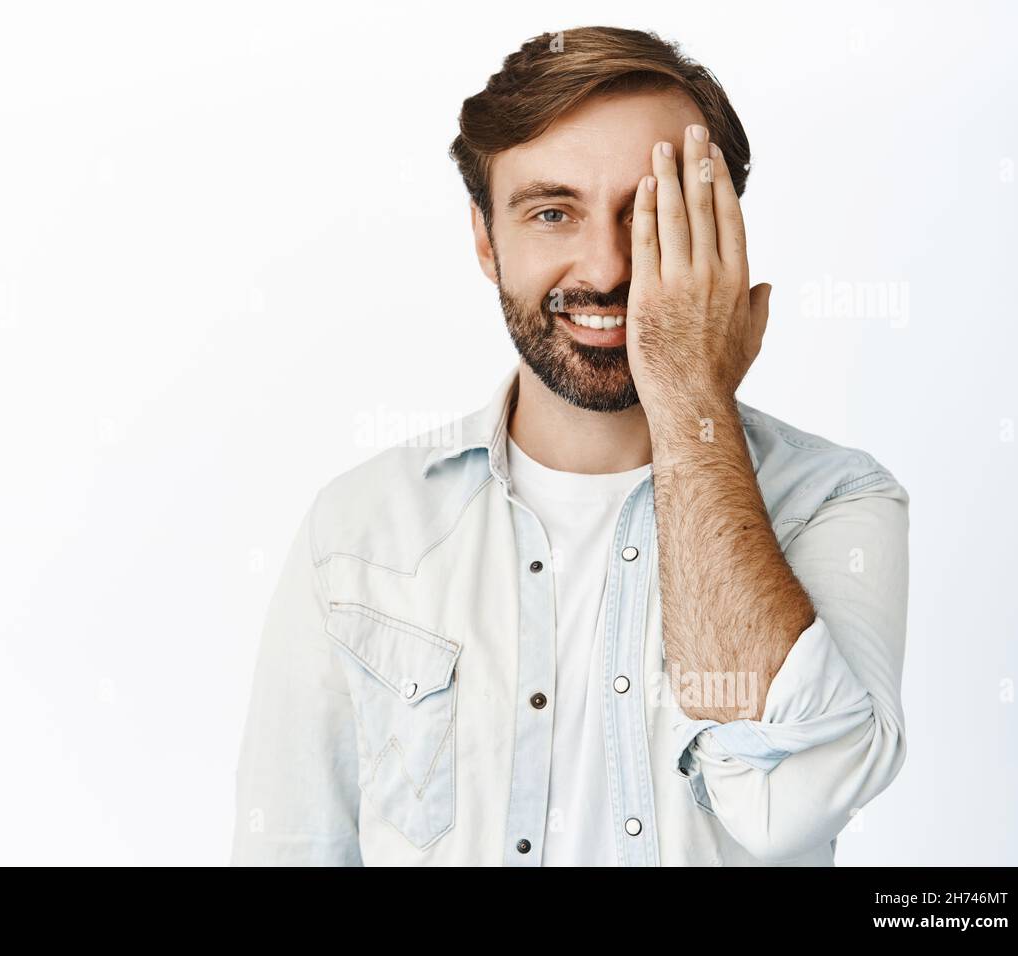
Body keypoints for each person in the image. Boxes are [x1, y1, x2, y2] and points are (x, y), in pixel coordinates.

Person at [230, 26, 910, 866]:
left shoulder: (835, 504)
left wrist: (691, 393)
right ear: (486, 239)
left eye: (652, 215)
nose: (606, 265)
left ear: (723, 235)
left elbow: (788, 805)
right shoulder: (362, 530)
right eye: (553, 212)